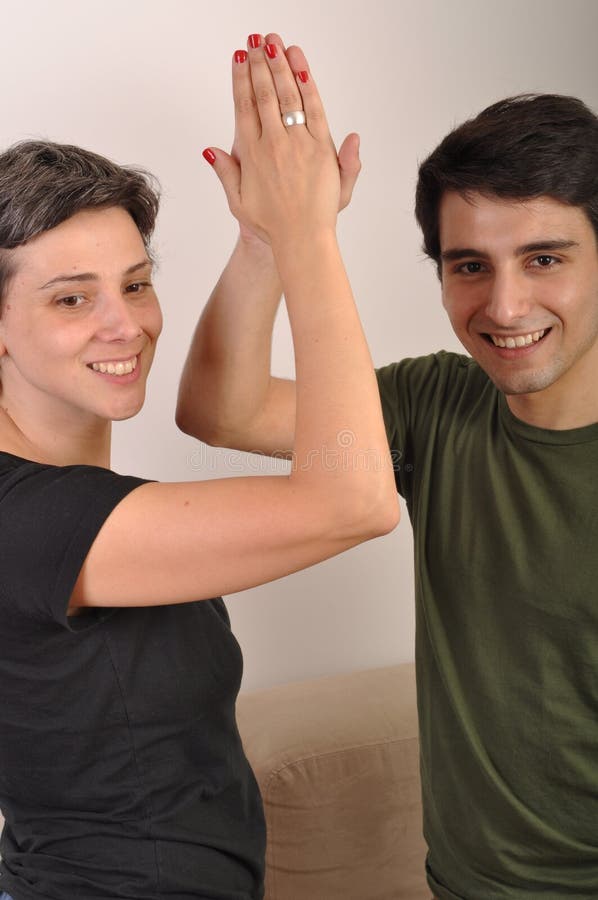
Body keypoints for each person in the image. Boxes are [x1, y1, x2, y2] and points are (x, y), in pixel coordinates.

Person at [0, 33, 399, 900]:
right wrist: (307, 237)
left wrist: (259, 238)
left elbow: (213, 406)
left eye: (136, 284)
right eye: (72, 297)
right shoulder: (28, 524)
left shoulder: (67, 506)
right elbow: (355, 501)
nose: (125, 324)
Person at [177, 82, 598, 899]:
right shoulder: (436, 407)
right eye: (469, 266)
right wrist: (270, 235)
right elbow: (219, 409)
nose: (505, 305)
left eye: (544, 258)